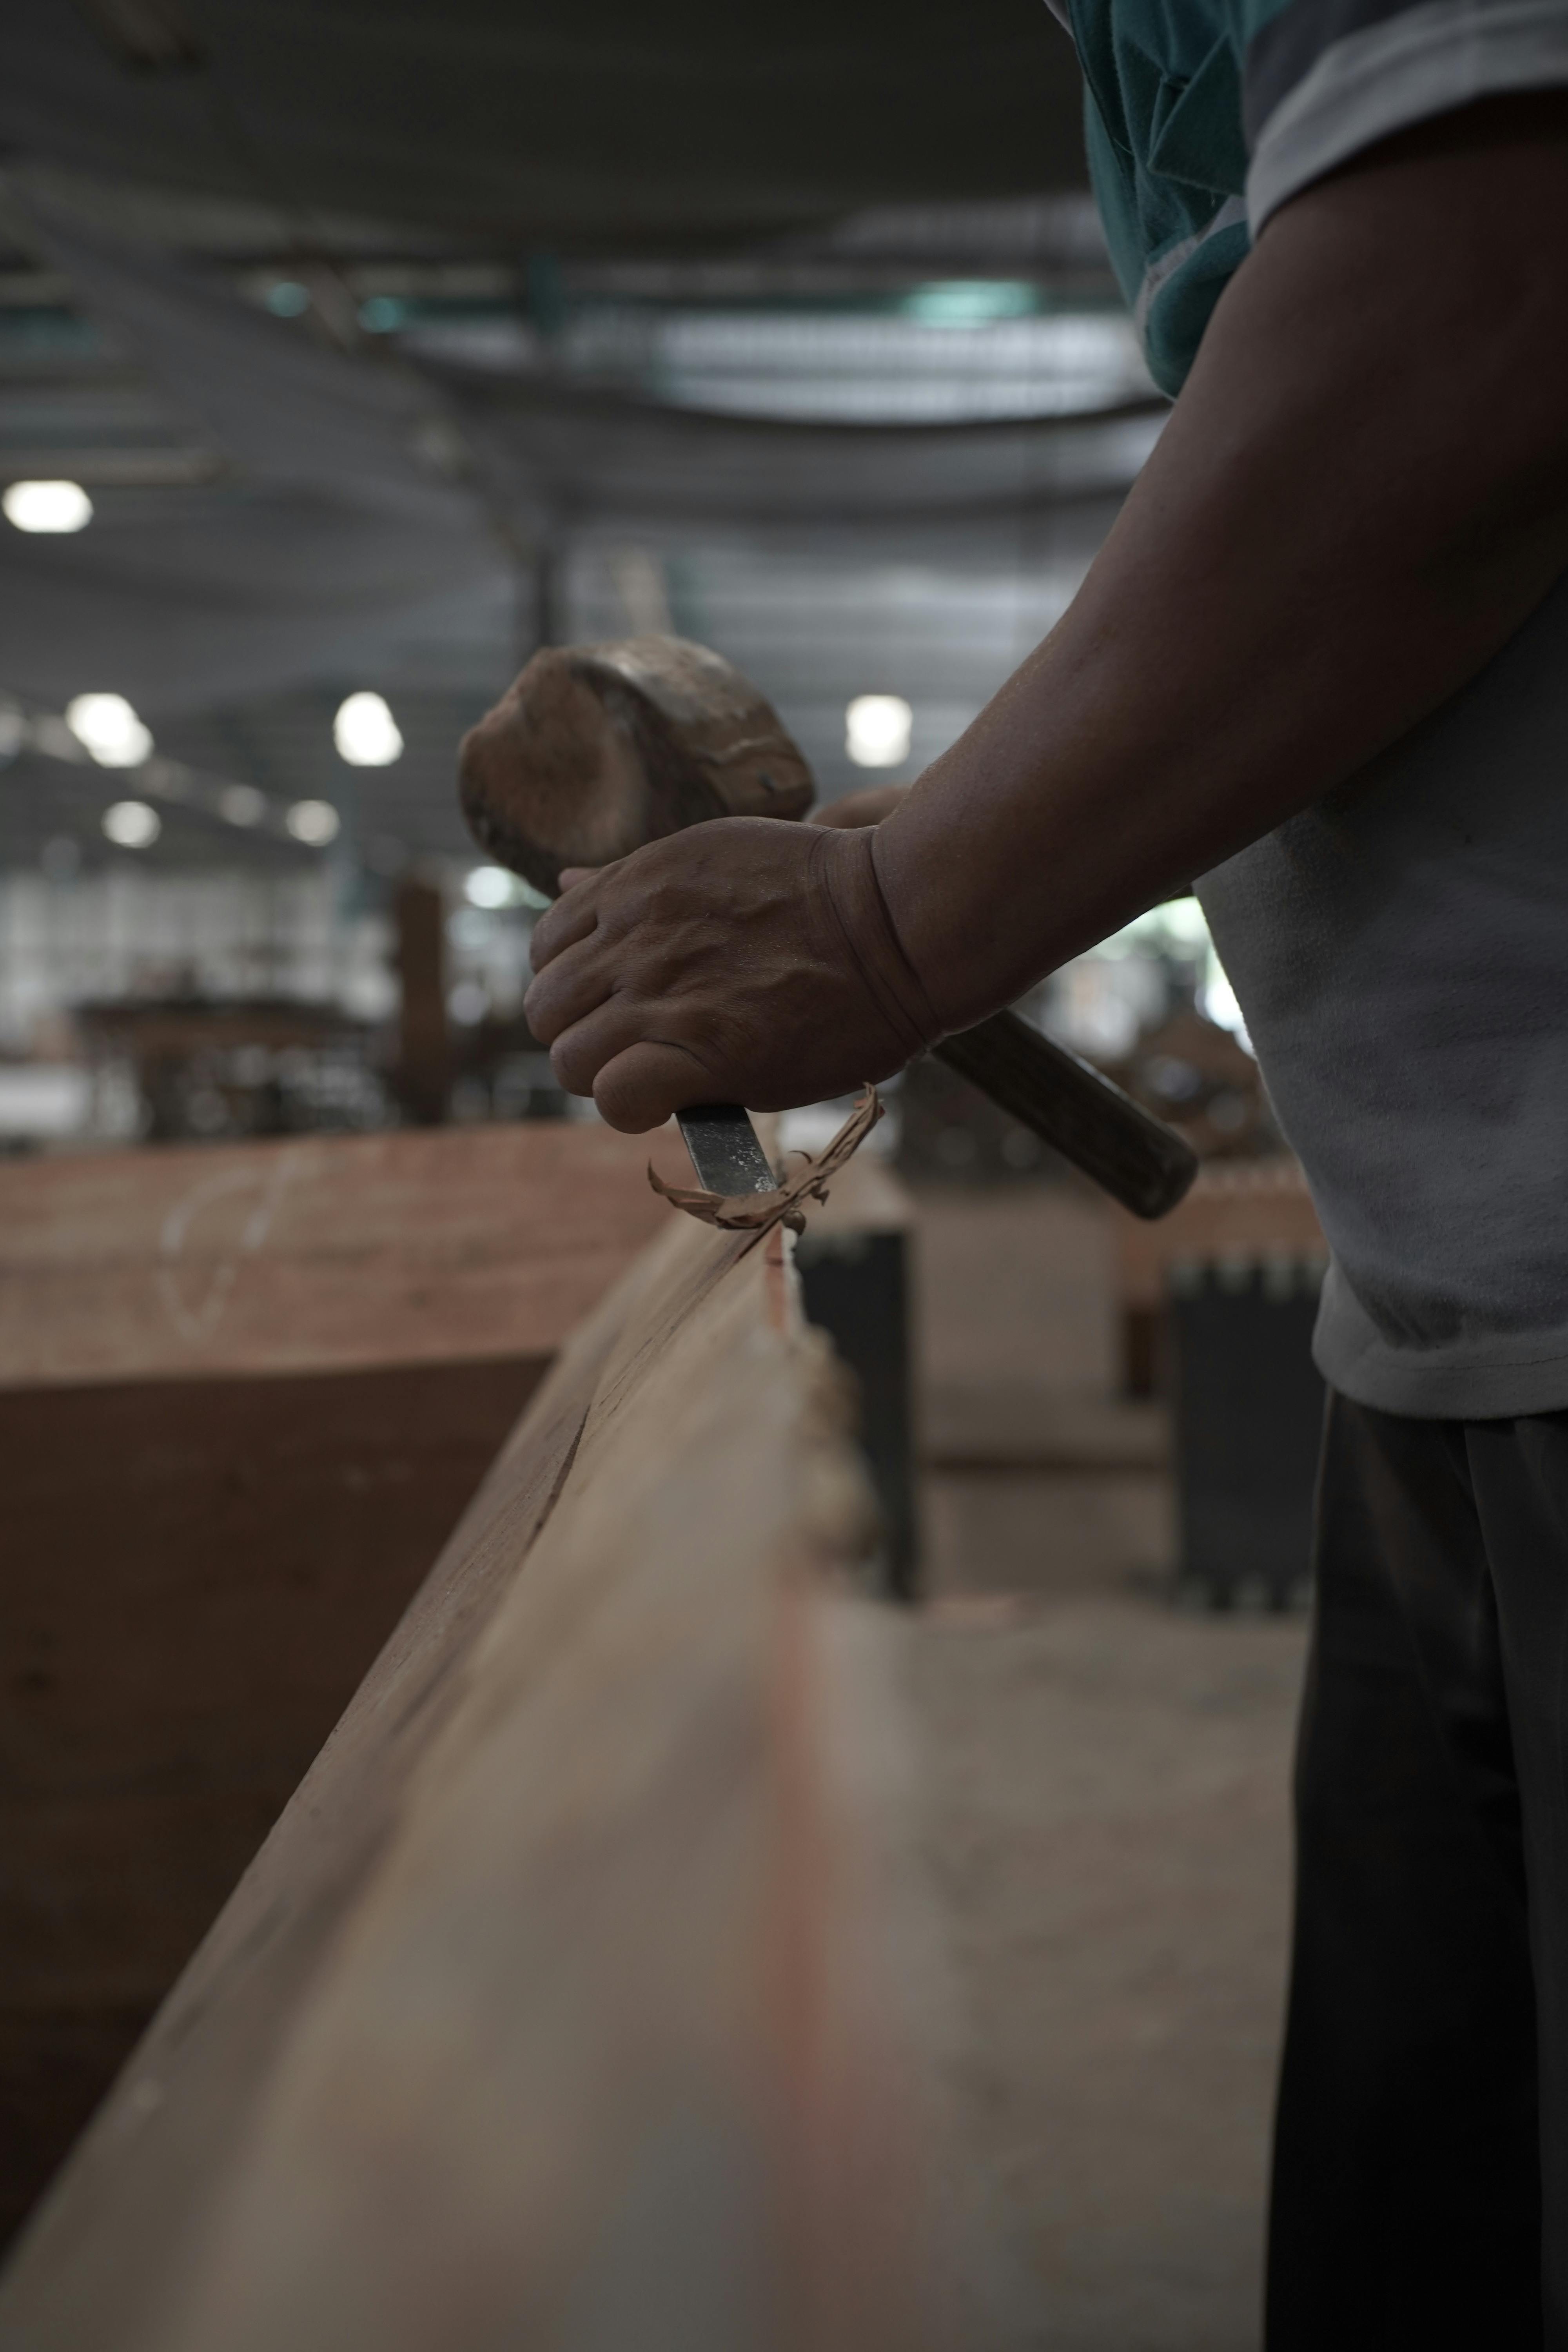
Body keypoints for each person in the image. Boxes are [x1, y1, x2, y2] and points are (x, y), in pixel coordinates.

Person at [522, 6, 1568, 2339]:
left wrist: (903, 919)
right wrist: (955, 841)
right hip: (1445, 1321)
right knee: (1424, 2233)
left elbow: (1490, 275)